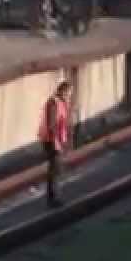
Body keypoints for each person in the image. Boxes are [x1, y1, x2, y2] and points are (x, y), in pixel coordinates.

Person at [38, 79, 73, 208]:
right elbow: (52, 125)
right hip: (51, 141)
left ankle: (54, 196)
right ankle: (53, 198)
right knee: (54, 170)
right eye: (68, 93)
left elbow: (64, 123)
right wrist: (56, 142)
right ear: (63, 91)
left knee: (57, 169)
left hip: (57, 140)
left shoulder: (62, 103)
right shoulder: (53, 103)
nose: (69, 96)